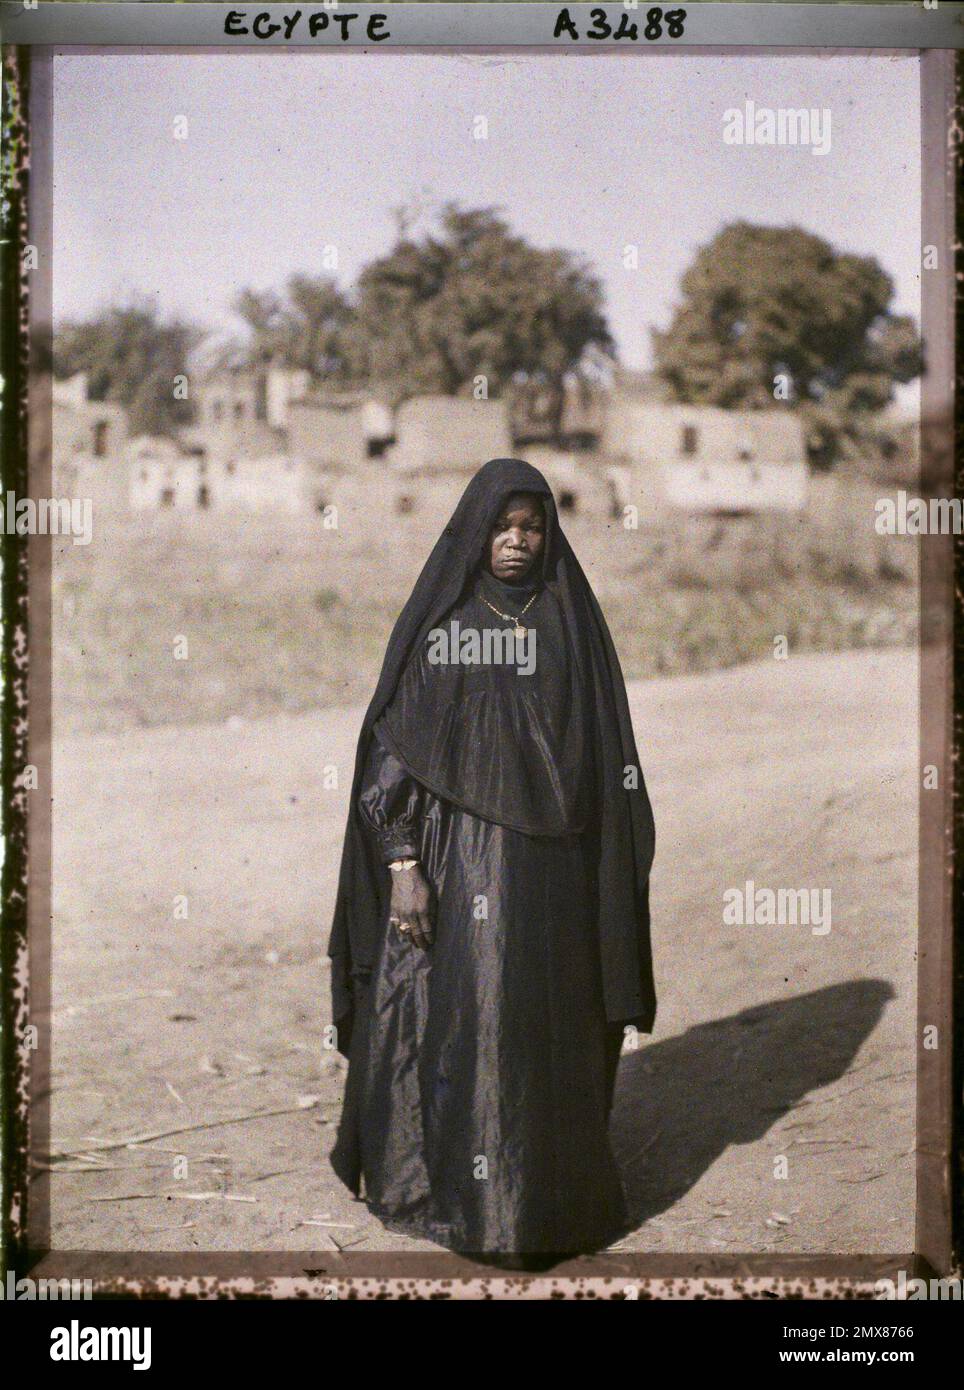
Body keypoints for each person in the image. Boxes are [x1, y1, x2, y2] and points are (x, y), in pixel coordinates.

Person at [328, 457, 656, 1265]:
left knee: (559, 1032)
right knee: (478, 1033)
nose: (516, 541)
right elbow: (392, 757)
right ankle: (477, 1211)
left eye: (532, 526)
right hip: (467, 869)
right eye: (503, 526)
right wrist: (404, 864)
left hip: (557, 878)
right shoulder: (449, 625)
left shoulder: (567, 621)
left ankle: (556, 1208)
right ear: (477, 533)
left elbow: (607, 748)